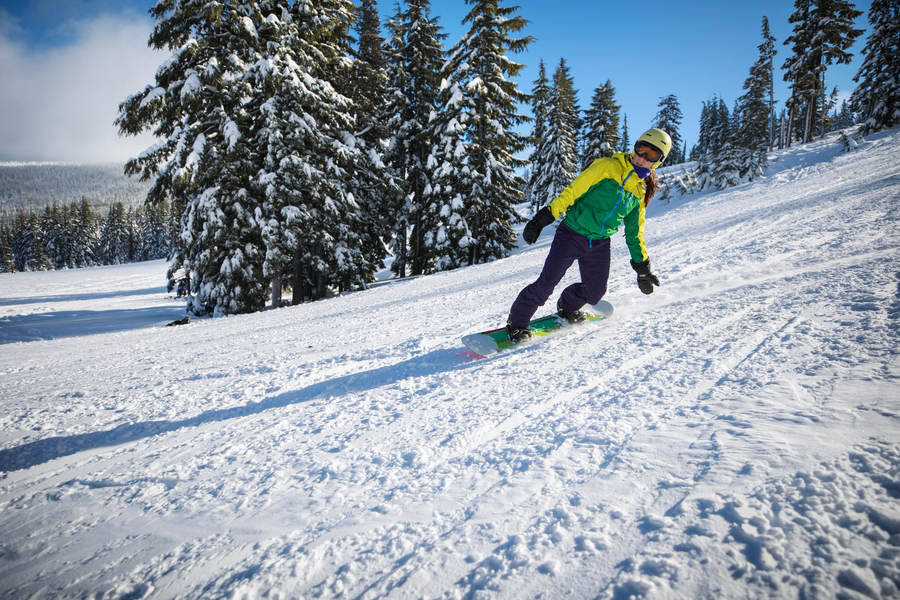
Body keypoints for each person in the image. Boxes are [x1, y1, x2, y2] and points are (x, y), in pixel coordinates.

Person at [506, 128, 672, 343]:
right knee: (546, 284)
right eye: (641, 149)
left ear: (658, 161)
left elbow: (635, 233)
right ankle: (517, 324)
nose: (642, 157)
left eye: (651, 155)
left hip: (600, 243)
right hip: (571, 233)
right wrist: (544, 217)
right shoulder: (608, 167)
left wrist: (643, 268)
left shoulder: (639, 191)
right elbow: (573, 191)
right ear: (635, 146)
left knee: (595, 292)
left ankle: (567, 305)